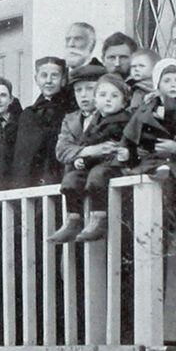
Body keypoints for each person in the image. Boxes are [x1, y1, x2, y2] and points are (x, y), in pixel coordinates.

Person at [48, 73, 135, 243]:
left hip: (112, 164)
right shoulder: (94, 120)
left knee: (96, 177)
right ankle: (73, 220)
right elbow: (85, 144)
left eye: (114, 96)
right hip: (93, 163)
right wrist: (83, 158)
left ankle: (98, 218)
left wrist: (126, 153)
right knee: (71, 179)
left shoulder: (125, 119)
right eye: (102, 95)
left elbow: (132, 142)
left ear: (124, 101)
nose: (108, 100)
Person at [12, 56, 74, 187]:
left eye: (54, 76)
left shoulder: (71, 110)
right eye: (44, 76)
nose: (49, 81)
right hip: (34, 182)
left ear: (63, 80)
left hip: (63, 179)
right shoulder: (28, 114)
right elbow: (22, 157)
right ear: (36, 79)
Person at [56, 63, 109, 172]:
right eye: (78, 90)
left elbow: (110, 148)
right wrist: (91, 150)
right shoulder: (70, 120)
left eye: (90, 88)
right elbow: (61, 151)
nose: (83, 95)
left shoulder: (110, 115)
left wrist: (76, 152)